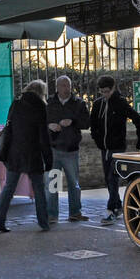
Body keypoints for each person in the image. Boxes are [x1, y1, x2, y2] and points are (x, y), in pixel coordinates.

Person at [0, 79, 54, 233]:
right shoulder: (40, 107)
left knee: (9, 188)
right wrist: (48, 159)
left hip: (15, 153)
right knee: (39, 188)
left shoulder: (16, 103)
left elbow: (8, 128)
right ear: (41, 93)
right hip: (33, 153)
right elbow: (43, 136)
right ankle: (43, 222)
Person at [90, 75, 140, 225]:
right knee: (108, 179)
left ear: (113, 88)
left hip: (117, 147)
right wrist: (96, 139)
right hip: (104, 147)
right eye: (102, 92)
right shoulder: (97, 104)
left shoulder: (120, 103)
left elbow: (138, 120)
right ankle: (117, 205)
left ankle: (112, 209)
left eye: (107, 91)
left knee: (112, 177)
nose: (105, 95)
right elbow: (93, 124)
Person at [46, 75, 90, 222]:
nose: (66, 89)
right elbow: (40, 123)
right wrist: (49, 126)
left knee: (74, 183)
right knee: (53, 184)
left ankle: (75, 212)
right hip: (53, 149)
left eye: (68, 86)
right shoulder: (49, 103)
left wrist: (73, 121)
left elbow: (86, 123)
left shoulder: (78, 103)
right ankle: (52, 214)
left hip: (71, 149)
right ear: (57, 87)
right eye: (63, 86)